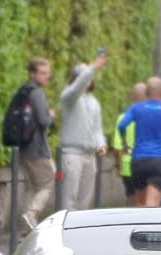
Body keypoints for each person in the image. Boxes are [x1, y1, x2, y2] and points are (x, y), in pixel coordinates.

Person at [116, 76, 161, 207]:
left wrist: (125, 141)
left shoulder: (136, 108)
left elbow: (122, 125)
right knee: (152, 204)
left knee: (139, 204)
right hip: (159, 160)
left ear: (147, 92)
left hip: (139, 159)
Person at [58, 53, 109, 211]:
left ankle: (79, 225)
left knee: (84, 201)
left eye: (89, 77)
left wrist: (101, 144)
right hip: (72, 153)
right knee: (69, 199)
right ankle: (65, 225)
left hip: (89, 155)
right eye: (83, 76)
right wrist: (93, 67)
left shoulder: (94, 102)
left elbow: (97, 129)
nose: (87, 79)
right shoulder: (69, 96)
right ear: (76, 79)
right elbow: (76, 89)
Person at [17, 58, 56, 230]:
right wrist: (50, 115)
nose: (47, 76)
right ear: (32, 74)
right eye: (42, 73)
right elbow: (43, 120)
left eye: (48, 73)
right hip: (37, 148)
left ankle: (25, 229)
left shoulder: (23, 91)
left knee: (32, 187)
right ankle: (31, 213)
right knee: (47, 181)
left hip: (23, 146)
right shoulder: (37, 93)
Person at [111, 83, 147, 206]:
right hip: (148, 162)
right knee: (146, 200)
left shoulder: (123, 118)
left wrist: (118, 166)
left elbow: (117, 147)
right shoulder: (153, 117)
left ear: (132, 97)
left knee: (132, 198)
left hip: (128, 164)